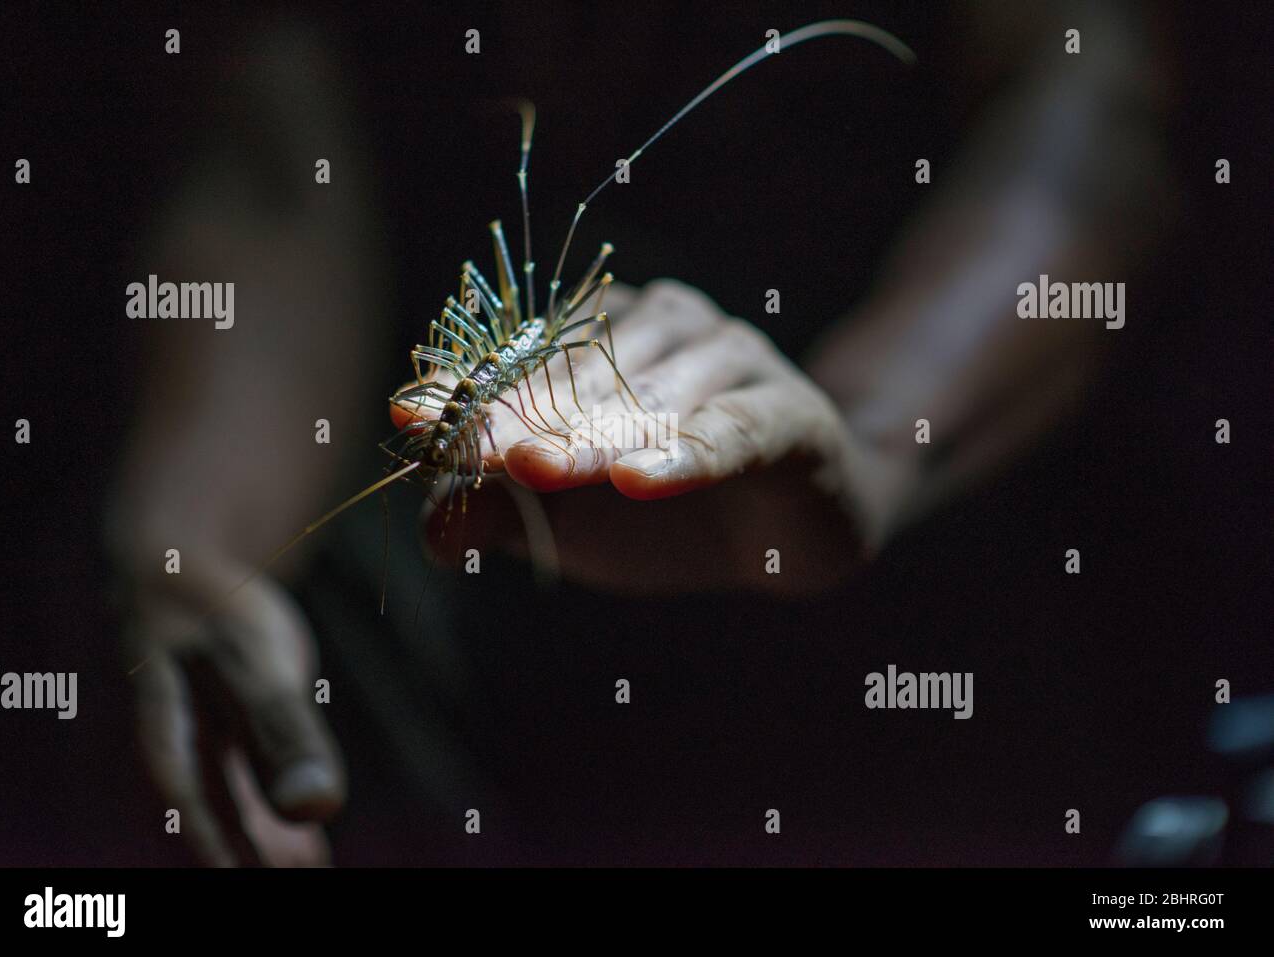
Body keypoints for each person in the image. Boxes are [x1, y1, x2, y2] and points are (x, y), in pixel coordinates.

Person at [105, 4, 1174, 865]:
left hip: (898, 595)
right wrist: (192, 546)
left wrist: (873, 436)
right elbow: (277, 145)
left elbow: (1088, 104)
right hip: (475, 586)